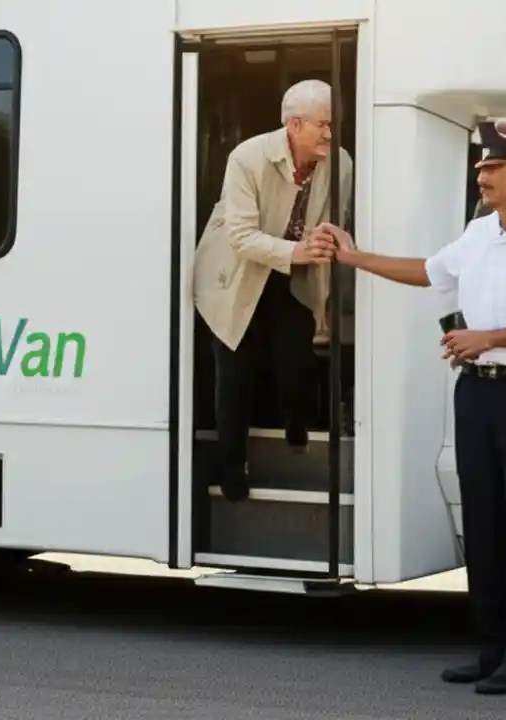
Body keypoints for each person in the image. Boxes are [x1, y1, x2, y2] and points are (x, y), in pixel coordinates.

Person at [314, 117, 506, 695]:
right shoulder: (480, 231)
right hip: (477, 394)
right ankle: (490, 650)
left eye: (493, 166)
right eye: (481, 165)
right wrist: (355, 258)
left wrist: (488, 337)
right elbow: (428, 272)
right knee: (483, 525)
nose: (481, 174)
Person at [192, 79, 351, 501]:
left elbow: (335, 220)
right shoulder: (247, 157)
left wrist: (323, 248)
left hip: (291, 271)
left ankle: (295, 420)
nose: (330, 135)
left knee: (296, 355)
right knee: (234, 371)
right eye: (323, 125)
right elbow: (241, 237)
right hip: (236, 272)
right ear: (294, 124)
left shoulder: (341, 163)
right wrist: (299, 250)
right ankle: (231, 465)